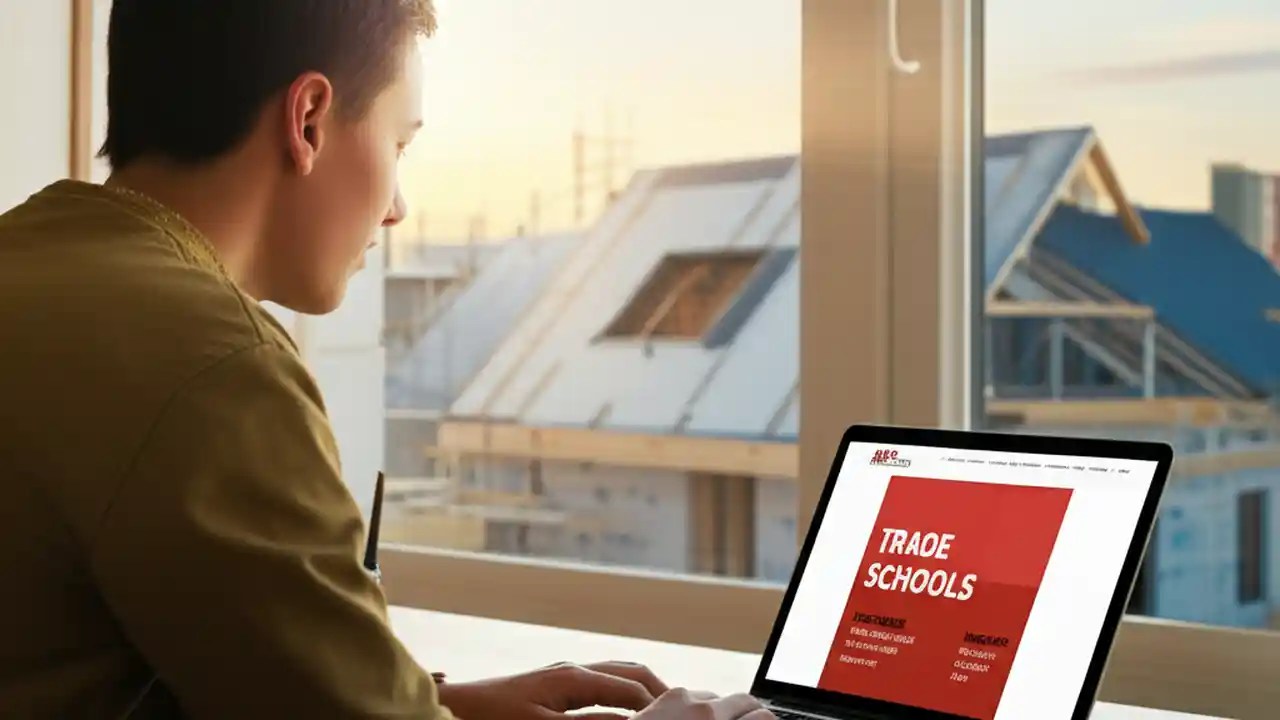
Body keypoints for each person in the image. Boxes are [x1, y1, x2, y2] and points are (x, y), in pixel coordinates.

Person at [0, 2, 775, 718]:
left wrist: (431, 702)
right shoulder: (211, 365)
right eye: (399, 144)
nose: (397, 205)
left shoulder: (32, 264)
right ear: (307, 120)